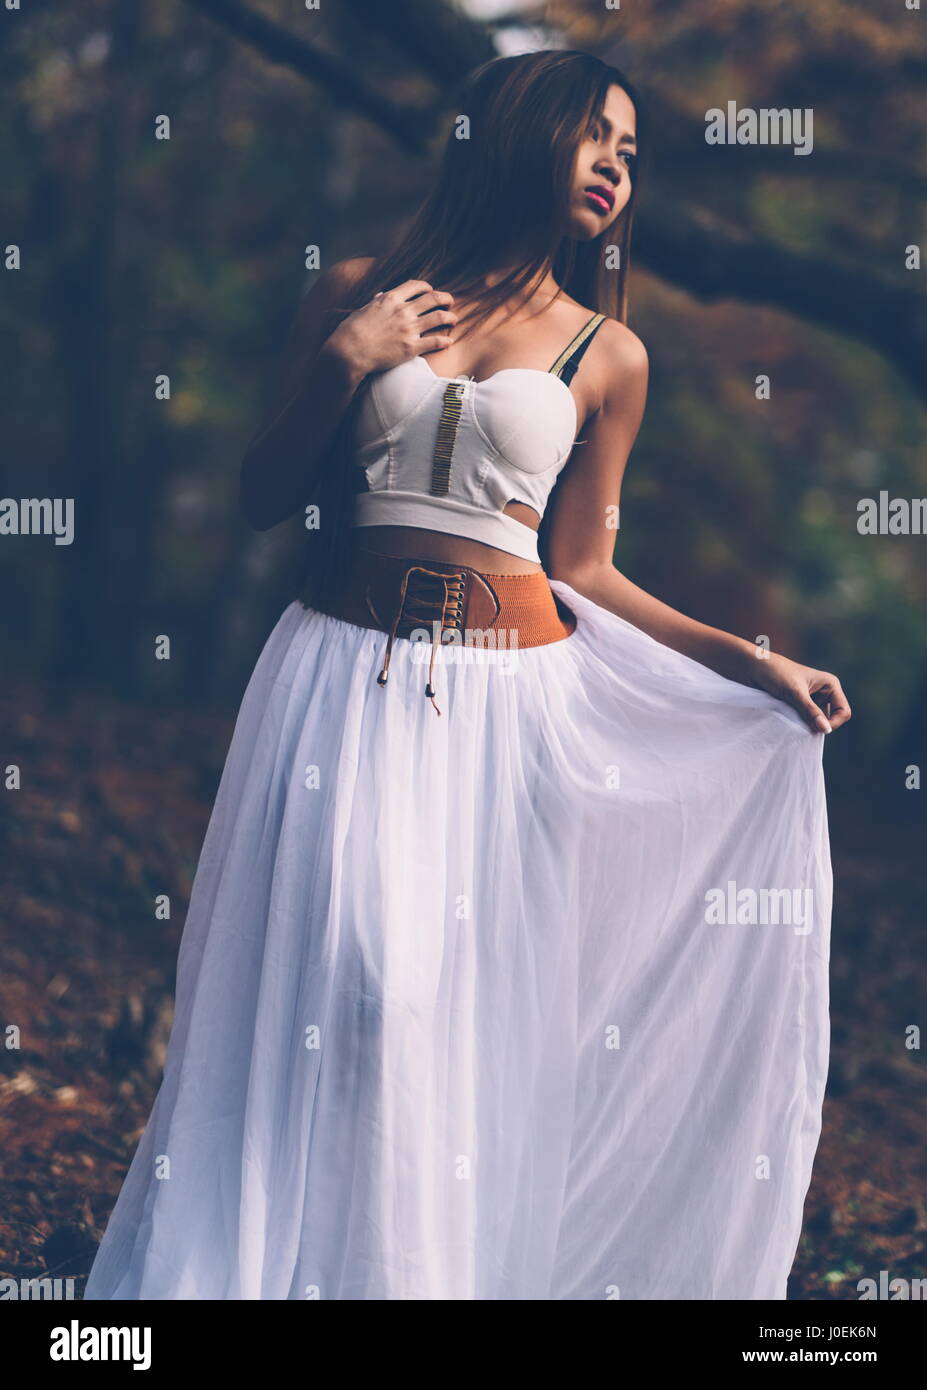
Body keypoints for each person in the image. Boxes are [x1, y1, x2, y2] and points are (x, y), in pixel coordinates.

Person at [84, 50, 849, 1302]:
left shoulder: (610, 353)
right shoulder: (357, 292)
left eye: (632, 155)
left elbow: (589, 570)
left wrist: (755, 662)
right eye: (598, 136)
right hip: (340, 679)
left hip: (506, 709)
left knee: (439, 1017)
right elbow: (260, 496)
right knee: (352, 975)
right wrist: (345, 355)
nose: (616, 167)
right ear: (521, 131)